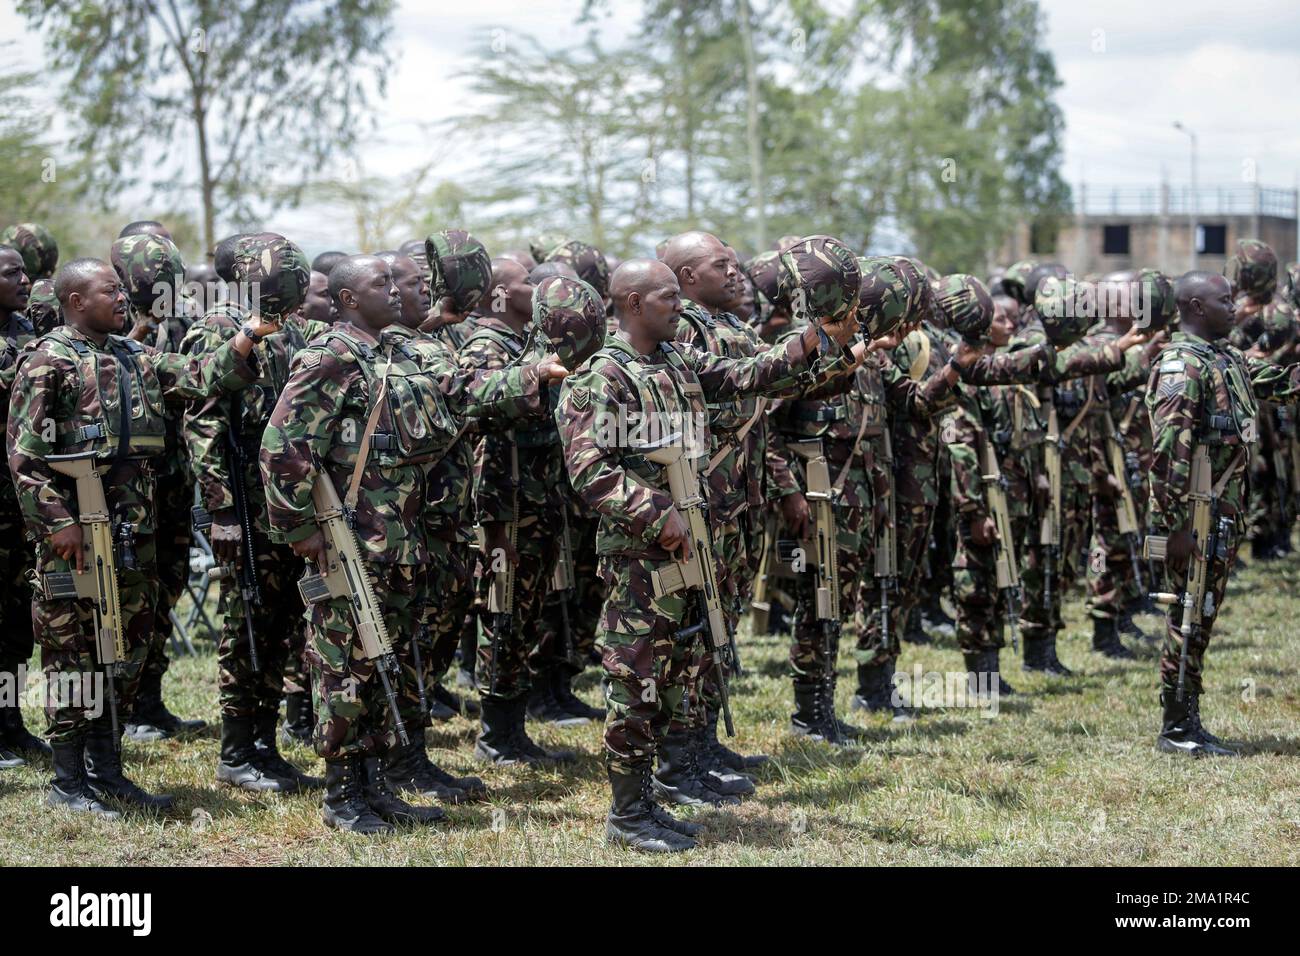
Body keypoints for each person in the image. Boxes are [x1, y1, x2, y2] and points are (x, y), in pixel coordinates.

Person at [556, 251, 859, 852]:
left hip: (690, 543)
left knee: (674, 672)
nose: (679, 307)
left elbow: (746, 377)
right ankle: (626, 814)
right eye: (668, 297)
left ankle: (651, 800)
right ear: (633, 303)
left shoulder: (675, 362)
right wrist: (657, 515)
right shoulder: (601, 376)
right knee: (635, 677)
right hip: (642, 558)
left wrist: (816, 341)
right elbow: (588, 469)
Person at [260, 253, 568, 834]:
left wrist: (534, 373)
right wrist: (302, 532)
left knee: (389, 659)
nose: (397, 293)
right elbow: (283, 448)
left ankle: (377, 783)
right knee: (344, 664)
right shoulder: (331, 357)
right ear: (349, 299)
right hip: (348, 543)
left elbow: (460, 395)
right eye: (382, 284)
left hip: (399, 541)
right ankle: (343, 794)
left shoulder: (395, 353)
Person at [7, 256, 271, 817]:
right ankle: (68, 781)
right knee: (72, 656)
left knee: (123, 650)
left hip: (134, 536)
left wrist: (249, 335)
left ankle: (108, 770)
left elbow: (201, 375)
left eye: (122, 291)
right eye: (110, 292)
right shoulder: (48, 360)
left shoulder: (135, 355)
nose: (124, 298)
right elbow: (25, 460)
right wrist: (60, 524)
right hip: (76, 536)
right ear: (76, 301)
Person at [181, 233, 323, 793]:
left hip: (284, 504)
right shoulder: (220, 328)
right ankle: (237, 751)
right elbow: (204, 423)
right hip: (242, 500)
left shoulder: (288, 328)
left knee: (281, 622)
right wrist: (221, 512)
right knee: (246, 625)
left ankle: (266, 744)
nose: (294, 275)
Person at [1146, 271, 1300, 756]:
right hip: (1194, 514)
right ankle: (1175, 727)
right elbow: (1168, 454)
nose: (1234, 307)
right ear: (1195, 306)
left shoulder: (1225, 358)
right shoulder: (1181, 366)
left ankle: (1190, 716)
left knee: (1203, 613)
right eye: (1223, 301)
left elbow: (1278, 381)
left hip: (1222, 511)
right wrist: (1171, 531)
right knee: (1185, 614)